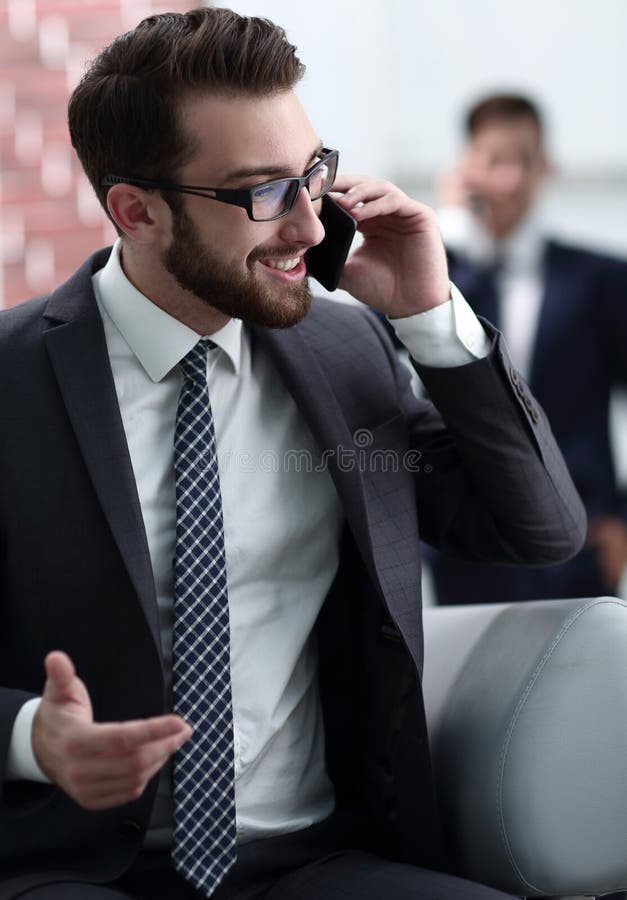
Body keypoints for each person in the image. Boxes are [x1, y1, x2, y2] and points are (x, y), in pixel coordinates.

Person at [0, 11, 585, 900]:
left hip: (312, 862)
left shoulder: (345, 353)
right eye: (263, 194)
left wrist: (430, 318)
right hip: (72, 869)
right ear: (136, 211)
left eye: (313, 174)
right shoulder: (13, 382)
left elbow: (537, 530)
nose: (311, 227)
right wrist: (31, 739)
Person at [430, 92, 627, 605]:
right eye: (496, 160)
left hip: (582, 544)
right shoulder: (441, 278)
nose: (512, 178)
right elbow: (389, 355)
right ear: (468, 168)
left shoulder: (600, 280)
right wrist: (449, 235)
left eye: (525, 159)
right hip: (467, 546)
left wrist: (624, 518)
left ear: (546, 166)